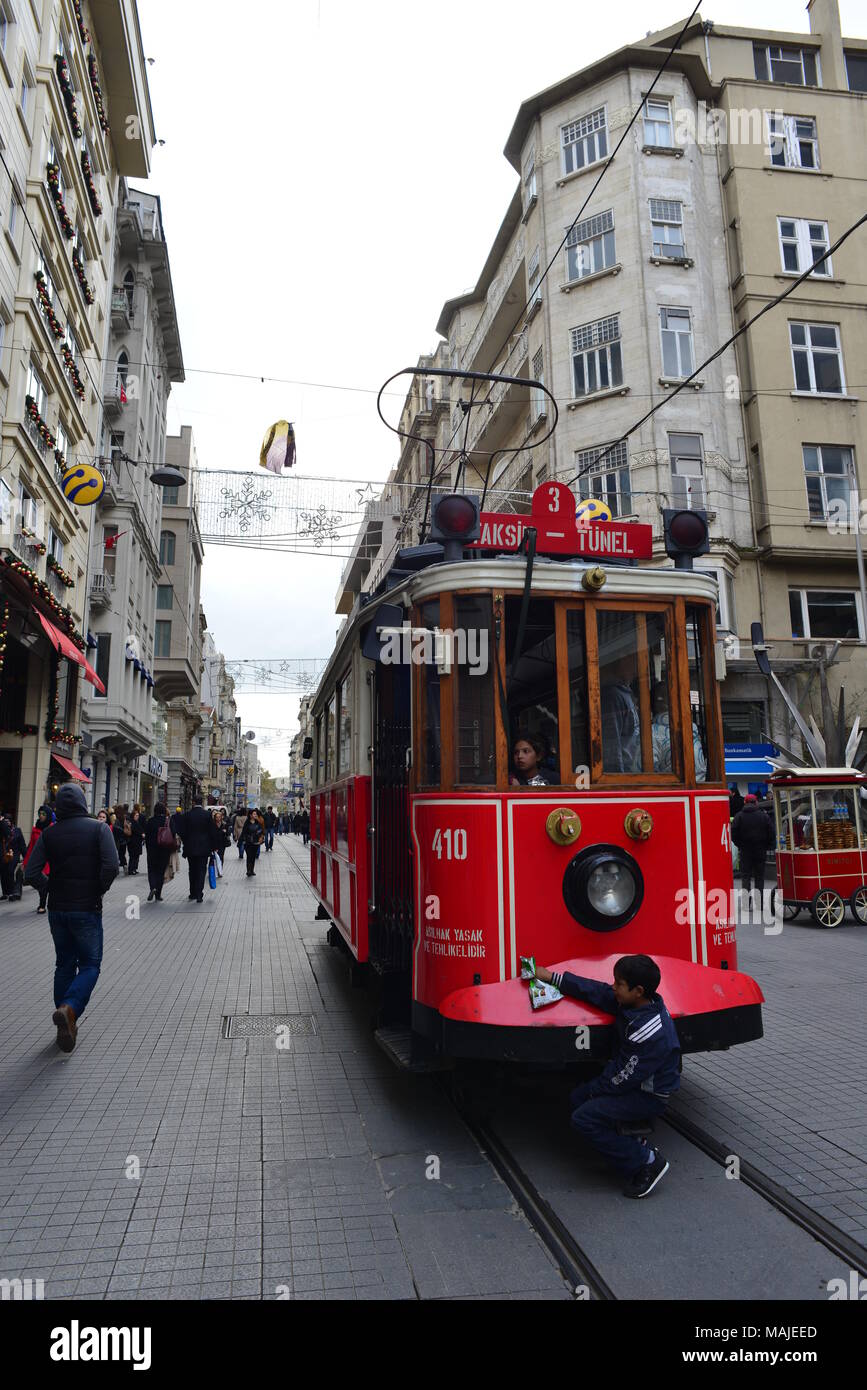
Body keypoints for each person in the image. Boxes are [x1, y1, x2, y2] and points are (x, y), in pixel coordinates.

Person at [533, 953, 679, 1198]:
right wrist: (553, 978)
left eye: (619, 984)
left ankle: (646, 1162)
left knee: (583, 1118)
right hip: (634, 1085)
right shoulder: (635, 1003)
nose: (613, 987)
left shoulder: (649, 1032)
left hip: (648, 1096)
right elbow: (595, 991)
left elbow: (624, 1075)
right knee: (579, 1098)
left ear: (638, 990)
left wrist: (594, 1089)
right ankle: (627, 1144)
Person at [24, 783, 119, 1053]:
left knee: (64, 963)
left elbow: (31, 872)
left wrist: (49, 887)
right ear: (82, 802)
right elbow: (111, 866)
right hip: (86, 908)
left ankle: (65, 1020)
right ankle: (70, 1009)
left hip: (58, 909)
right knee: (90, 964)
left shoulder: (49, 834)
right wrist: (97, 888)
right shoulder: (99, 829)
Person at [650, 689, 707, 781]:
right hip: (701, 786)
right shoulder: (692, 727)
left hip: (670, 790)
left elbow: (648, 773)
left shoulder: (652, 732)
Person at [731, 794, 775, 910]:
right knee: (759, 877)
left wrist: (740, 845)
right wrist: (768, 846)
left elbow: (734, 834)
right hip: (760, 850)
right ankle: (759, 903)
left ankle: (746, 904)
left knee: (746, 877)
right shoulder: (764, 816)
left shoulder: (739, 816)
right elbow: (771, 832)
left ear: (745, 803)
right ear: (756, 803)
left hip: (745, 851)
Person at [600, 653, 641, 773]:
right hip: (624, 775)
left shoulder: (624, 692)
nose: (636, 670)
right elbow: (611, 743)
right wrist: (618, 778)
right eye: (633, 661)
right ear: (621, 661)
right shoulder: (613, 696)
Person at [180, 795, 220, 903]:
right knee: (201, 870)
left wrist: (185, 842)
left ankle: (192, 892)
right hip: (204, 848)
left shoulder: (187, 815)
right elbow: (212, 832)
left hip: (190, 848)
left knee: (192, 870)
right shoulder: (207, 815)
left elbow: (182, 832)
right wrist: (214, 846)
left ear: (193, 802)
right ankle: (199, 894)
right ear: (201, 802)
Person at [23, 805, 52, 913]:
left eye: (43, 814)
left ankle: (50, 903)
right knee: (42, 885)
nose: (41, 816)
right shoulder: (35, 829)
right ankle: (42, 905)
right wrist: (26, 862)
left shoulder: (52, 827)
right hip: (39, 862)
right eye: (40, 813)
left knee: (50, 883)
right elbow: (31, 847)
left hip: (50, 862)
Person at [145, 801, 174, 902]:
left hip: (152, 850)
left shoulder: (150, 821)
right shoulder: (167, 821)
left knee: (152, 870)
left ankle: (152, 887)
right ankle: (158, 894)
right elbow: (173, 834)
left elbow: (147, 836)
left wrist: (148, 848)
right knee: (160, 872)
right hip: (164, 850)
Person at [0, 813, 27, 901]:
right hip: (4, 853)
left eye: (8, 821)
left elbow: (22, 845)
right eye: (5, 821)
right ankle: (5, 892)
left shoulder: (17, 830)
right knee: (3, 872)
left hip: (15, 854)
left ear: (11, 821)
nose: (6, 823)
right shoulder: (2, 830)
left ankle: (12, 892)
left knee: (10, 870)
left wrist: (25, 858)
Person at [241, 809, 264, 877]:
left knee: (253, 857)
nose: (255, 815)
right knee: (249, 856)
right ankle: (248, 870)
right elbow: (244, 832)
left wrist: (260, 837)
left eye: (256, 814)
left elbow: (261, 831)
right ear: (250, 815)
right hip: (248, 843)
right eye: (254, 814)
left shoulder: (258, 823)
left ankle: (252, 870)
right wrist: (244, 840)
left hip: (256, 842)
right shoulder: (247, 823)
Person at [127, 809, 145, 876]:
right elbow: (135, 831)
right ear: (133, 816)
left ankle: (134, 869)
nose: (138, 817)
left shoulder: (136, 822)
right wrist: (141, 834)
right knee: (133, 856)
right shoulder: (132, 822)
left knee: (136, 856)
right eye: (136, 815)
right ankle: (131, 869)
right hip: (133, 842)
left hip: (137, 842)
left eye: (138, 815)